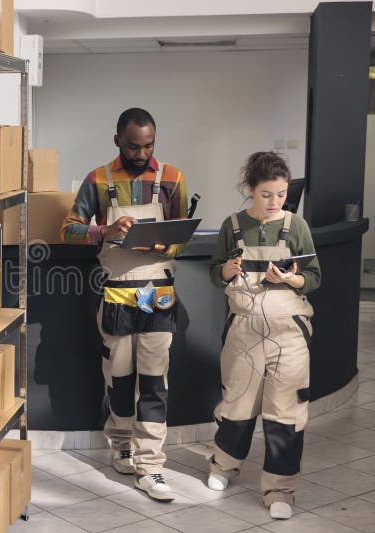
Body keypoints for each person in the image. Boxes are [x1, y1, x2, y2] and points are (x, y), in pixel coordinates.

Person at [60, 108, 189, 501]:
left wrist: (169, 243)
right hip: (116, 292)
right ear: (117, 140)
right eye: (134, 146)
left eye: (148, 145)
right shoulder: (98, 180)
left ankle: (151, 466)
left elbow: (183, 231)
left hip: (157, 294)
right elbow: (68, 230)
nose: (142, 153)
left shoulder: (172, 178)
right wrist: (105, 230)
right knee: (118, 378)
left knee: (154, 382)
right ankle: (121, 444)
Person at [207, 152, 321, 520]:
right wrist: (225, 270)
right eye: (267, 194)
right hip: (243, 330)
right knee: (236, 404)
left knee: (285, 412)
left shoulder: (297, 225)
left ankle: (280, 489)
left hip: (289, 332)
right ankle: (224, 466)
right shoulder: (232, 226)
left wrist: (289, 279)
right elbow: (214, 273)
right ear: (250, 190)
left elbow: (314, 278)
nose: (276, 202)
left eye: (282, 194)